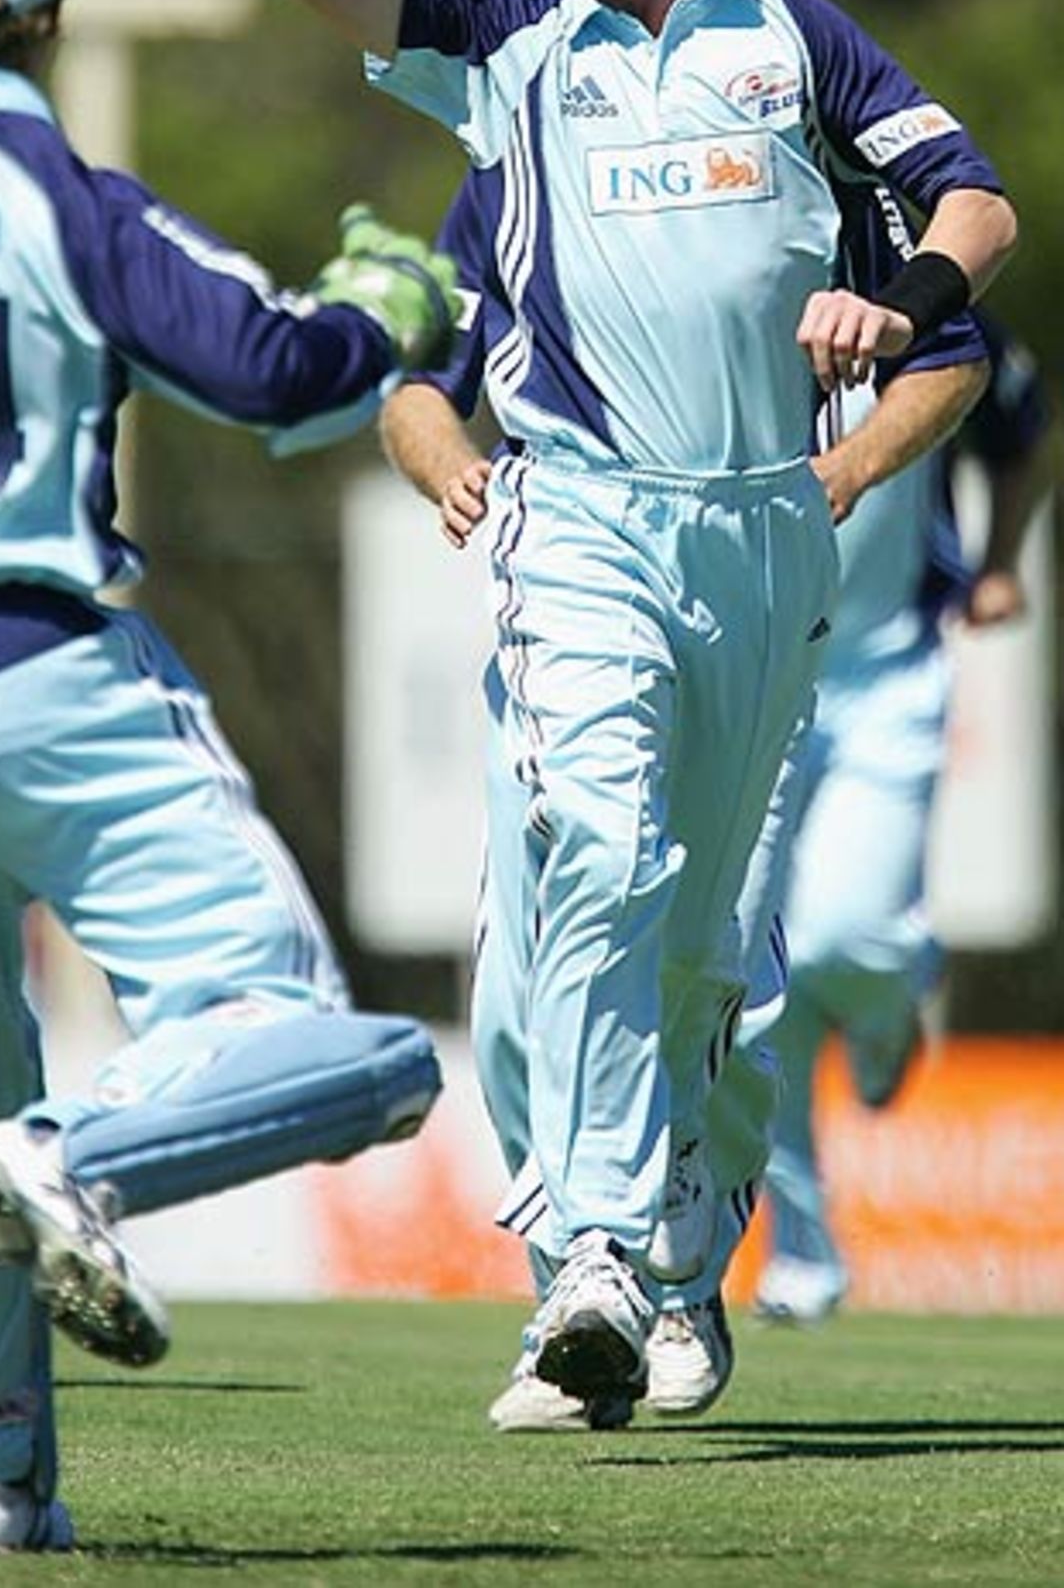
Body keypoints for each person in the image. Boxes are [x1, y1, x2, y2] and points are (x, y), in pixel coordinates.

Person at [245, 0, 1017, 1418]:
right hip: (584, 521)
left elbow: (974, 206)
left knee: (715, 958)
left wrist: (894, 306)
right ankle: (585, 1253)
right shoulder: (501, 54)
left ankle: (687, 1249)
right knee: (592, 858)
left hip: (766, 534)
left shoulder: (793, 40)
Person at [0, 0, 460, 1555]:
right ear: (54, 21)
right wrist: (390, 307)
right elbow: (272, 369)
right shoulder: (69, 197)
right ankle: (77, 1157)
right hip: (30, 668)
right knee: (327, 1050)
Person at [379, 170, 995, 1431]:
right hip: (564, 620)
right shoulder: (518, 164)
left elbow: (963, 357)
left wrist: (849, 466)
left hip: (757, 627)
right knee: (511, 1002)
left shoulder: (813, 180)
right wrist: (450, 468)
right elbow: (418, 391)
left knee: (704, 973)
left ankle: (683, 1274)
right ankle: (579, 1298)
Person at [748, 308, 1052, 1328]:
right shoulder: (726, 279)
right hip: (748, 682)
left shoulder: (923, 305)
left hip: (885, 679)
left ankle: (886, 1006)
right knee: (762, 987)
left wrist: (1002, 558)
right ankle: (802, 1254)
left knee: (846, 937)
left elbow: (1018, 423)